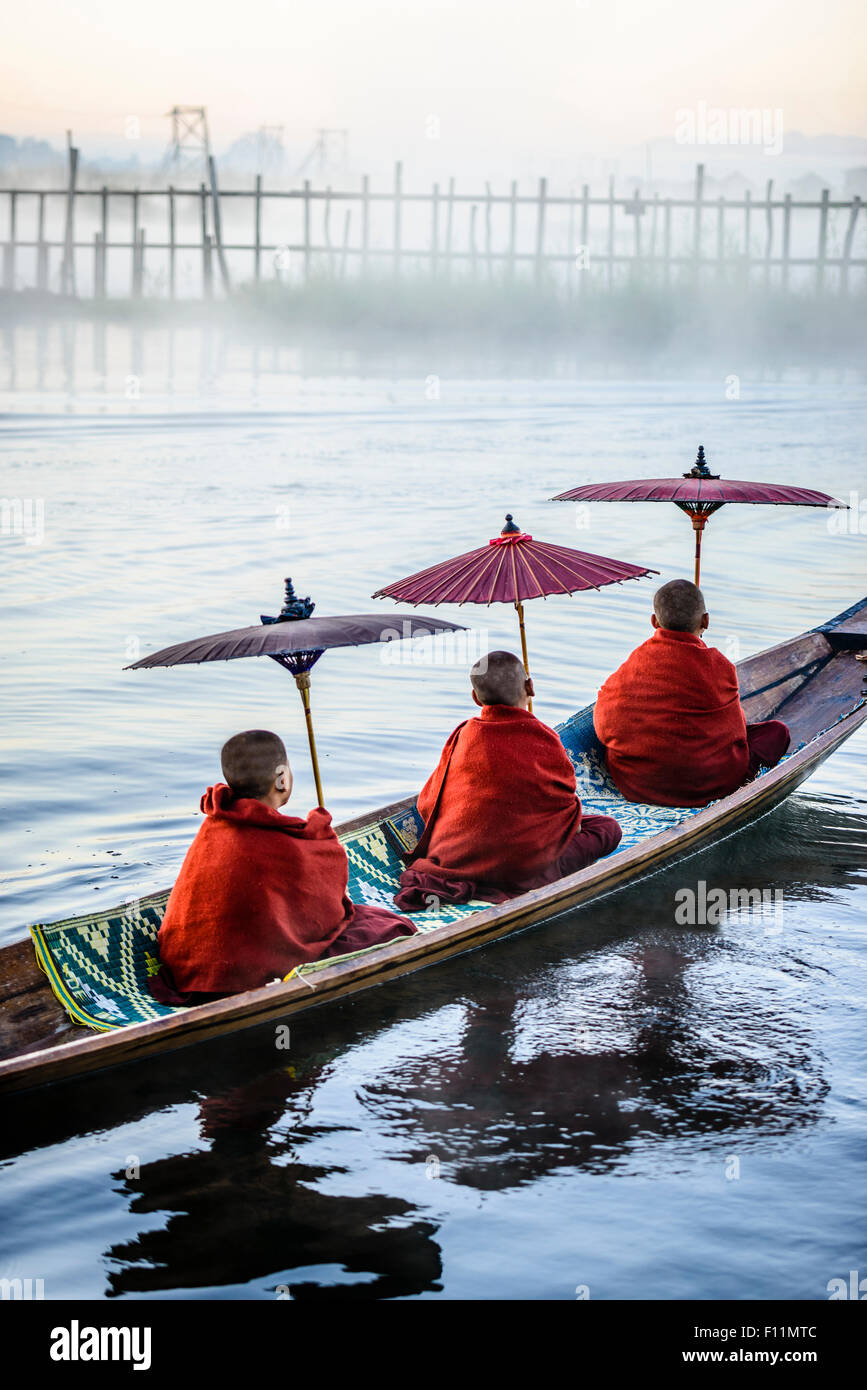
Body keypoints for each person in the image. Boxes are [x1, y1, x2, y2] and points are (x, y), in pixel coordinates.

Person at [150, 729, 415, 1003]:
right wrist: (324, 842)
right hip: (242, 977)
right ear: (281, 779)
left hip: (186, 970)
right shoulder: (286, 843)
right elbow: (327, 912)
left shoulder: (214, 825)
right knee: (390, 926)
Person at [395, 652, 622, 911]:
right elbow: (566, 813)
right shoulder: (544, 738)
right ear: (530, 687)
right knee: (606, 829)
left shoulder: (462, 734)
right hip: (517, 870)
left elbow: (430, 802)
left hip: (454, 859)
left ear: (475, 697)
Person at [593, 579, 790, 808]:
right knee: (777, 733)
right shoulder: (720, 666)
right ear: (706, 621)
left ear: (654, 621)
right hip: (708, 785)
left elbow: (603, 727)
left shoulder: (632, 665)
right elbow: (736, 735)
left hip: (637, 786)